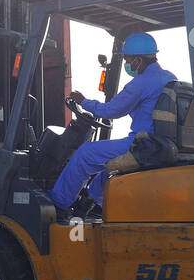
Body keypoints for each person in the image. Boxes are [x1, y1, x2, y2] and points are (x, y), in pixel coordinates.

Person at [48, 32, 177, 214]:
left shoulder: (140, 83)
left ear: (138, 61)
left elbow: (110, 111)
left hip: (142, 143)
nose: (127, 64)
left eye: (127, 59)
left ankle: (57, 204)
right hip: (159, 143)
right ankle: (92, 205)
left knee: (85, 153)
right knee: (108, 166)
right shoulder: (169, 77)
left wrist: (83, 101)